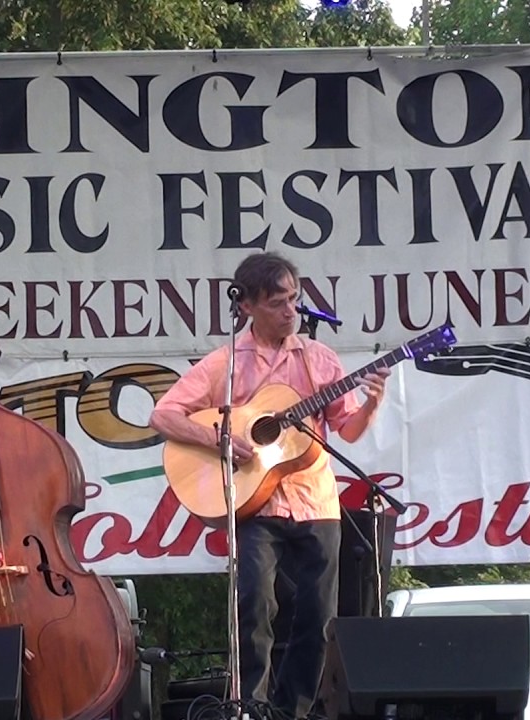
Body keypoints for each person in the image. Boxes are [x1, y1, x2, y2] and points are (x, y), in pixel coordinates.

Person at [149, 251, 390, 720]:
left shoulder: (319, 358)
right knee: (255, 607)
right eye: (278, 303)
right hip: (255, 505)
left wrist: (372, 404)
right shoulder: (228, 363)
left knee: (318, 617)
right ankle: (251, 710)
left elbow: (349, 429)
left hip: (316, 501)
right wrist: (218, 436)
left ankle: (292, 712)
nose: (290, 312)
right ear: (248, 307)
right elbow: (163, 415)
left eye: (294, 300)